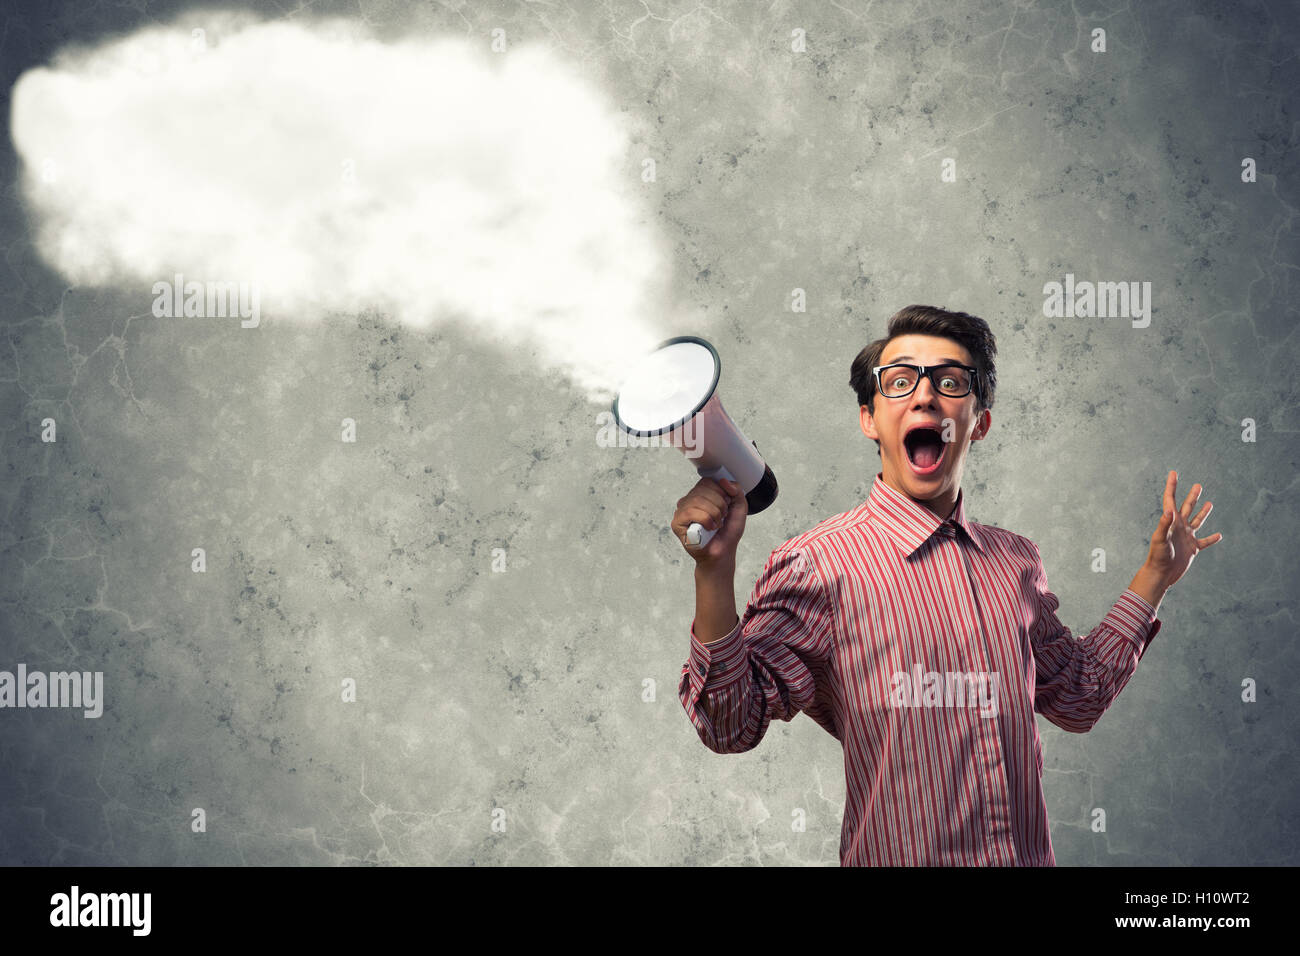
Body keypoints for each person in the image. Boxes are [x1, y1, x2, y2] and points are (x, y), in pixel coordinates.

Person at [673, 304, 1223, 866]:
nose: (926, 395)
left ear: (979, 423)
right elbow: (729, 724)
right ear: (869, 418)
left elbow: (1078, 697)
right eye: (901, 381)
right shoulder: (817, 564)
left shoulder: (1015, 561)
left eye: (951, 381)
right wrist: (713, 574)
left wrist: (1154, 575)